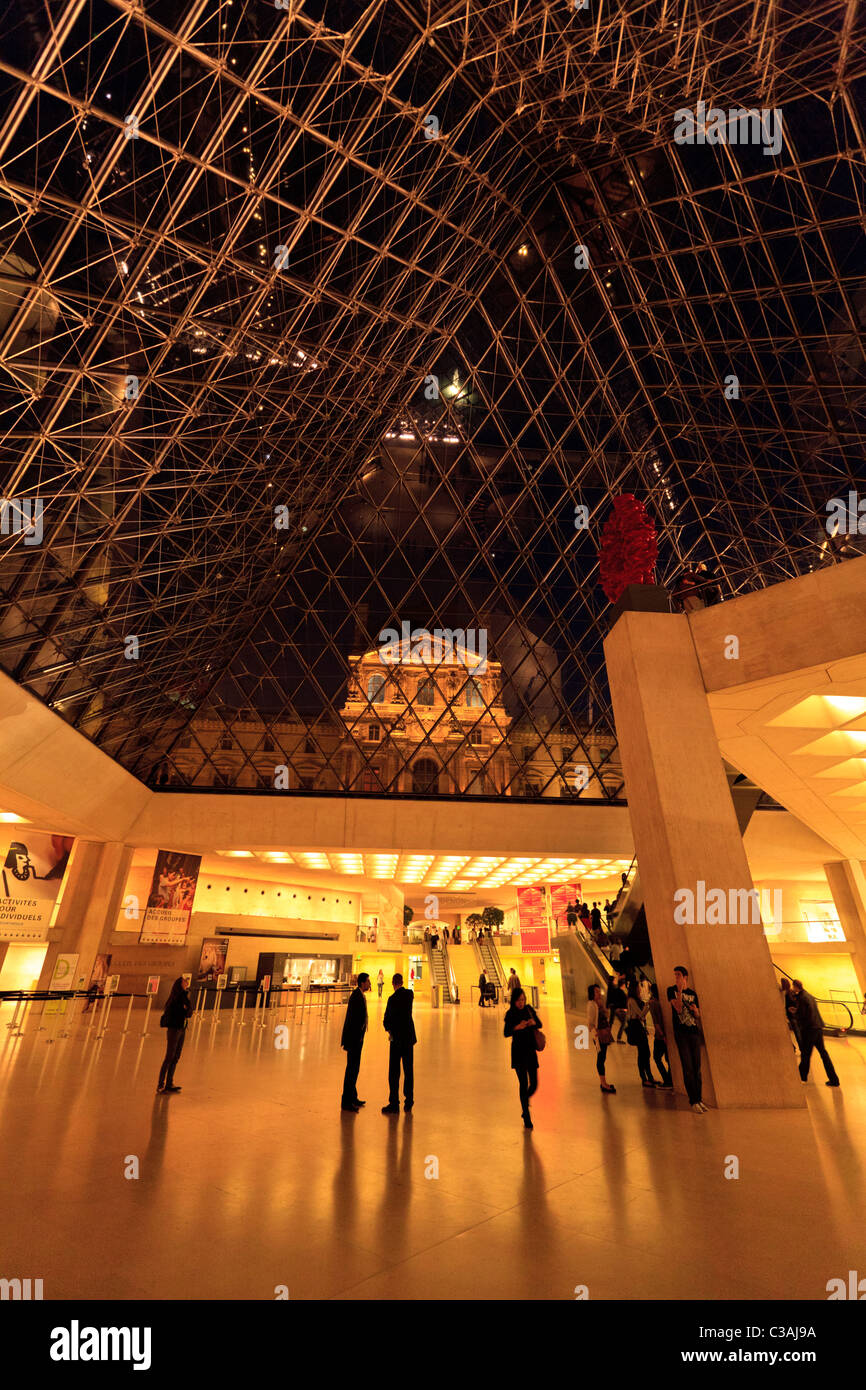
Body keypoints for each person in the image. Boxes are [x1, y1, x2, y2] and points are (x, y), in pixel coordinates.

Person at [503, 987, 543, 1128]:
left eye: (523, 1000)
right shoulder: (511, 1014)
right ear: (514, 1001)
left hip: (531, 1051)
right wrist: (517, 1027)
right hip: (519, 1052)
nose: (521, 1002)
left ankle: (524, 1100)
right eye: (518, 1000)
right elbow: (506, 1032)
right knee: (523, 1083)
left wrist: (533, 1023)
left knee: (534, 1084)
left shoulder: (529, 1010)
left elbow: (540, 1024)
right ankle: (526, 1114)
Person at [668, 966, 705, 1112]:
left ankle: (699, 1099)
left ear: (685, 977)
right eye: (675, 975)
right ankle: (693, 1101)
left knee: (697, 1068)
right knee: (687, 1067)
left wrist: (696, 1011)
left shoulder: (693, 994)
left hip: (694, 1032)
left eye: (678, 975)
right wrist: (680, 992)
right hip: (681, 1033)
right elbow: (677, 1008)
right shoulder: (671, 990)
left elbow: (698, 1015)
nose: (676, 977)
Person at [791, 979, 840, 1087]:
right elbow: (811, 1012)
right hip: (818, 1028)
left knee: (806, 1054)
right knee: (823, 1054)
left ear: (795, 986)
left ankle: (800, 1077)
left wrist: (794, 1013)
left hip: (809, 1029)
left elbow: (803, 1015)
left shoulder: (802, 998)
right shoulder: (809, 996)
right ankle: (834, 1079)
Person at [382, 974, 416, 1113]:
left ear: (393, 983)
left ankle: (394, 1103)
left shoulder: (392, 999)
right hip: (408, 1039)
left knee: (394, 1072)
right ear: (402, 982)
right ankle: (409, 1101)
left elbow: (386, 1021)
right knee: (408, 1071)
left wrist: (390, 1029)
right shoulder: (409, 995)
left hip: (396, 1040)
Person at [340, 972, 371, 1112]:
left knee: (354, 1068)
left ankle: (353, 1096)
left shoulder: (359, 995)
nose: (370, 984)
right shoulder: (356, 996)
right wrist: (357, 1037)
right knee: (351, 1069)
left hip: (357, 1038)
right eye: (368, 982)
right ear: (362, 982)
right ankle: (346, 1101)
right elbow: (353, 1020)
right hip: (354, 1039)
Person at [157, 976, 192, 1094]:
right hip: (174, 1029)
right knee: (169, 1056)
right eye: (184, 982)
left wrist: (186, 1009)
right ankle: (160, 1084)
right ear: (179, 984)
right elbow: (180, 1011)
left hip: (182, 1028)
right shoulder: (175, 998)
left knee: (176, 1056)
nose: (187, 983)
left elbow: (189, 1011)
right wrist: (185, 1010)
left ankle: (169, 1083)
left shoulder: (184, 996)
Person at [626, 980, 661, 1087]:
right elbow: (641, 1014)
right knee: (642, 1053)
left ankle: (650, 1077)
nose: (640, 988)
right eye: (639, 986)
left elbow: (641, 1016)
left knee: (646, 1053)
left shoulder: (637, 999)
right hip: (635, 1027)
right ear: (634, 988)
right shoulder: (631, 1000)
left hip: (639, 1026)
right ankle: (644, 1079)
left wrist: (646, 1006)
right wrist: (648, 1005)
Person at [587, 984, 615, 1094]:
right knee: (601, 1057)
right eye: (596, 992)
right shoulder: (591, 1005)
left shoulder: (599, 1003)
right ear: (592, 993)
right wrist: (596, 1035)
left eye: (599, 991)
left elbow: (606, 1016)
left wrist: (602, 1006)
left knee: (603, 1057)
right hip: (598, 1034)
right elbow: (590, 1023)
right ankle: (603, 1083)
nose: (599, 993)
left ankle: (604, 1083)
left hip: (605, 1032)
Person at [648, 983, 673, 1088]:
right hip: (668, 1032)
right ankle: (670, 1079)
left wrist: (662, 1035)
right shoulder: (663, 1002)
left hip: (660, 1035)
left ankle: (667, 1080)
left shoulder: (653, 1004)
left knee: (657, 1057)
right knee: (668, 1058)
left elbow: (656, 1022)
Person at [606, 970, 628, 1042]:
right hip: (614, 1006)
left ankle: (609, 1036)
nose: (615, 981)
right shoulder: (612, 987)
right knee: (612, 1021)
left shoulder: (612, 987)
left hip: (613, 1006)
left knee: (612, 1021)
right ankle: (609, 1036)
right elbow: (610, 997)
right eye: (614, 980)